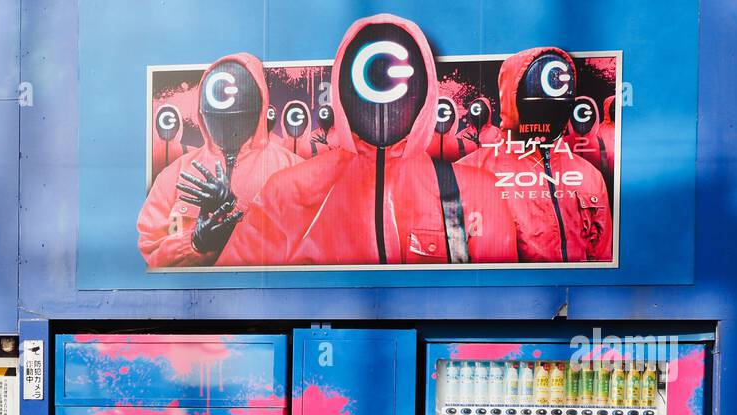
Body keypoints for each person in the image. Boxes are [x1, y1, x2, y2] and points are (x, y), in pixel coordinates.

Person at [220, 13, 516, 267]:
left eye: (396, 77)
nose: (384, 95)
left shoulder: (475, 194)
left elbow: (499, 319)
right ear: (342, 86)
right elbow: (229, 309)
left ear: (426, 88)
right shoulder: (286, 193)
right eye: (371, 75)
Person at [136, 52, 299, 267]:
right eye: (219, 119)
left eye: (239, 116)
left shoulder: (294, 170)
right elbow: (151, 253)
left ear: (260, 108)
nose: (228, 127)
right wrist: (194, 244)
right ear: (203, 113)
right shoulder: (174, 175)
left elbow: (308, 252)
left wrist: (237, 216)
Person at [469, 47, 612, 262]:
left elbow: (602, 256)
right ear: (512, 95)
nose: (549, 106)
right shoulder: (472, 172)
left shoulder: (588, 175)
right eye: (536, 89)